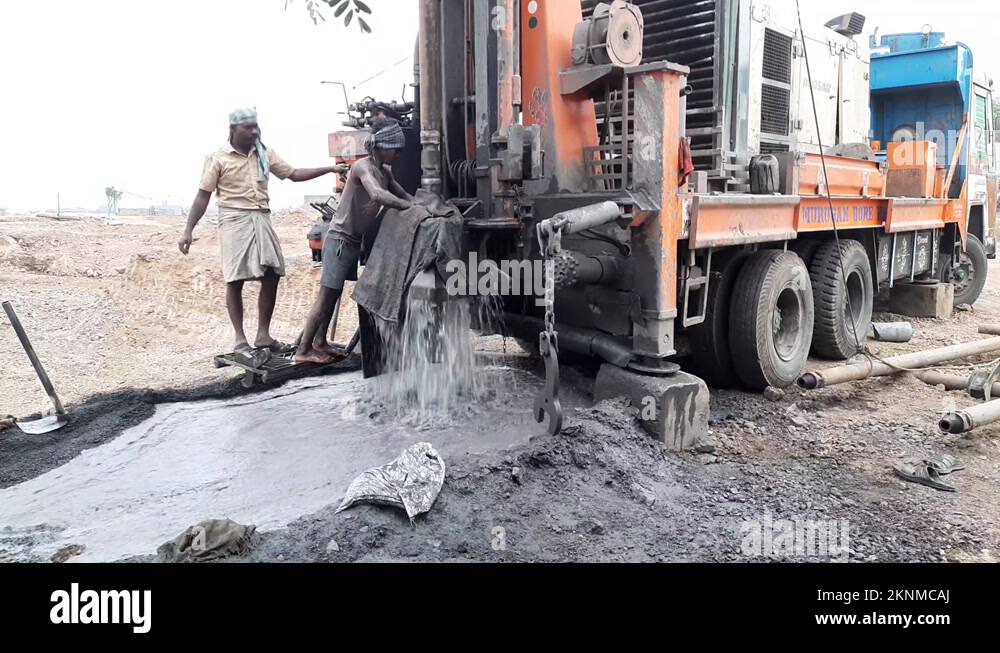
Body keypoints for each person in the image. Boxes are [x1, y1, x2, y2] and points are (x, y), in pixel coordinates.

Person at [178, 107, 347, 354]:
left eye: (256, 126)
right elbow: (203, 196)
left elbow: (293, 174)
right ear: (233, 130)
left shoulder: (264, 154)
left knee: (272, 274)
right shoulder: (218, 158)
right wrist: (187, 230)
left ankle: (263, 335)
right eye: (248, 127)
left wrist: (330, 169)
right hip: (234, 220)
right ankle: (239, 339)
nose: (255, 131)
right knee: (235, 279)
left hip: (261, 218)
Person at [294, 117, 413, 364]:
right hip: (339, 239)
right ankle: (304, 350)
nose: (398, 153)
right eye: (395, 148)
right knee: (326, 295)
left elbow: (404, 196)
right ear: (381, 146)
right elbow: (378, 195)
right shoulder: (363, 167)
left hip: (353, 240)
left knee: (334, 294)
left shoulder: (386, 172)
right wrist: (407, 206)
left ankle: (320, 342)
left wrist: (423, 207)